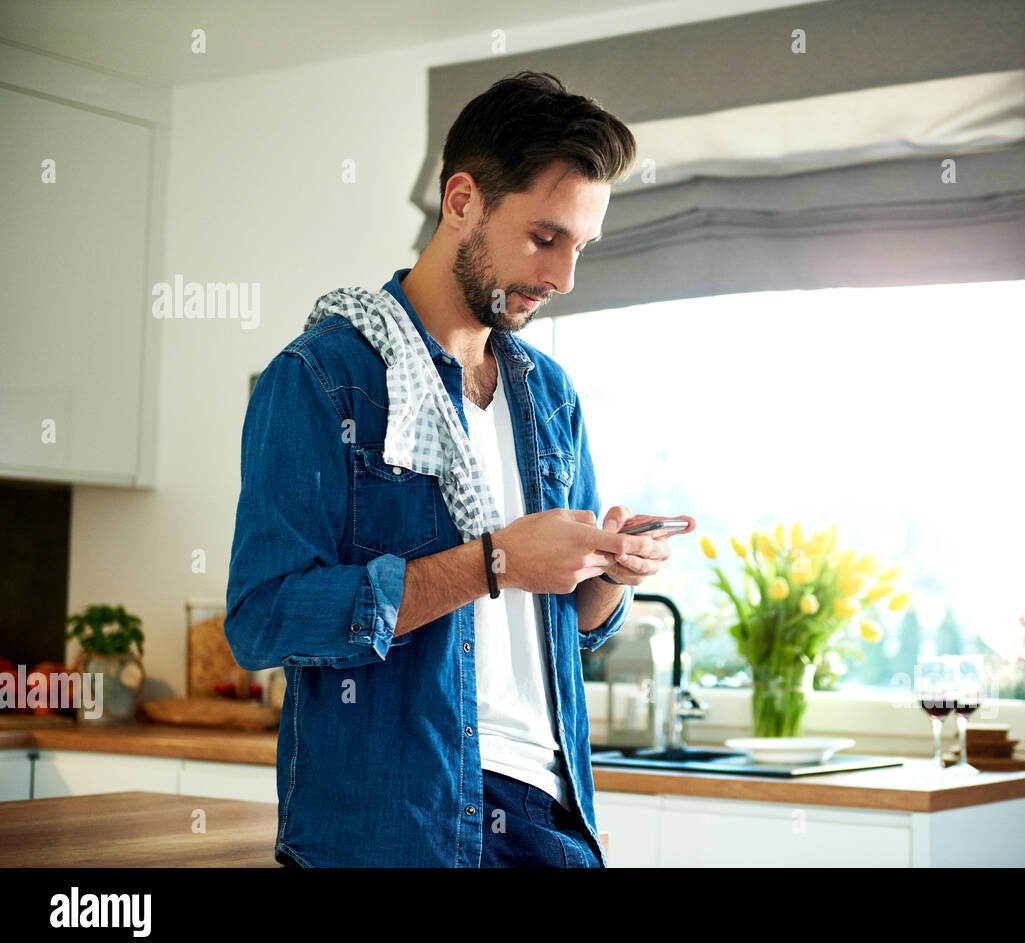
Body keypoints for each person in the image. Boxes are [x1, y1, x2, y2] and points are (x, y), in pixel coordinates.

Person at [225, 71, 694, 867]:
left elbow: (576, 622)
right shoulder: (320, 379)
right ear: (462, 201)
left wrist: (613, 568)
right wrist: (495, 562)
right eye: (545, 238)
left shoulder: (548, 396)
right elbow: (264, 618)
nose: (563, 277)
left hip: (550, 821)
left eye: (581, 248)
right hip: (395, 828)